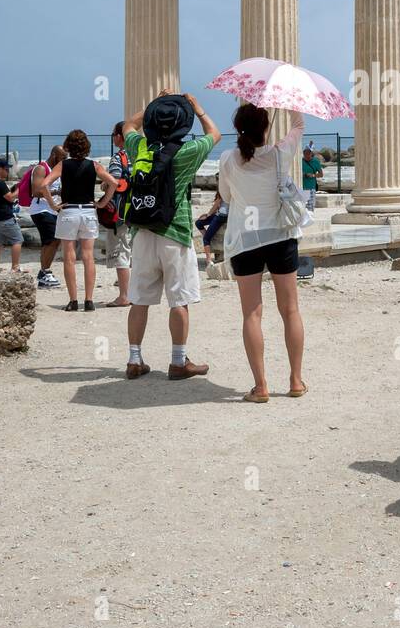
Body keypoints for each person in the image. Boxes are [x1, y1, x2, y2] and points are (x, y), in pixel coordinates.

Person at [123, 92, 220, 381]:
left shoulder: (139, 147)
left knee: (139, 299)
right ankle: (178, 361)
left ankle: (134, 359)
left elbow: (128, 125)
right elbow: (214, 134)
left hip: (142, 230)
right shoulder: (186, 152)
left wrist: (152, 103)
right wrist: (198, 109)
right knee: (179, 300)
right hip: (174, 232)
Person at [218, 105, 306, 402]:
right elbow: (299, 126)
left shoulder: (228, 159)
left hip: (246, 237)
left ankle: (261, 386)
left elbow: (227, 196)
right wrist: (290, 105)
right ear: (266, 127)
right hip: (280, 234)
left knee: (252, 313)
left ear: (237, 128)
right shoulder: (280, 153)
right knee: (290, 309)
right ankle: (295, 380)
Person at [43, 133, 117, 311]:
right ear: (86, 146)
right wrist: (102, 203)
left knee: (69, 257)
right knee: (88, 256)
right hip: (88, 211)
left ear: (68, 146)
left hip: (68, 211)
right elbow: (113, 182)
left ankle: (73, 300)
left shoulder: (62, 165)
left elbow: (44, 184)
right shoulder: (94, 165)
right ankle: (89, 300)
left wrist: (53, 205)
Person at [29, 145, 66, 290]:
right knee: (53, 240)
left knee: (51, 242)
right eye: (63, 157)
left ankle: (43, 271)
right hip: (41, 209)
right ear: (55, 156)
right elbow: (36, 191)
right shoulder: (41, 168)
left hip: (52, 210)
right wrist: (56, 191)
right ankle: (45, 273)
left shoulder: (57, 170)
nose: (64, 161)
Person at [104, 121, 132, 308]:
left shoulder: (118, 158)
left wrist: (104, 191)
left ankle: (124, 295)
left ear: (119, 137)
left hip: (121, 213)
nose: (113, 137)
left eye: (114, 134)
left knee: (121, 252)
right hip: (140, 210)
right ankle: (136, 291)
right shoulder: (140, 155)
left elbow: (114, 183)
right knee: (134, 252)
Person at [0, 157, 22, 270]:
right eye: (6, 169)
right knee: (18, 240)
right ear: (0, 169)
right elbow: (10, 198)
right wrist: (19, 189)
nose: (8, 171)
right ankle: (15, 267)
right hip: (6, 218)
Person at [194, 192, 228, 266]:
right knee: (198, 223)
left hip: (221, 216)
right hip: (219, 214)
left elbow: (216, 204)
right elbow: (217, 206)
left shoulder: (223, 188)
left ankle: (208, 261)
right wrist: (209, 214)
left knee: (206, 239)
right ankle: (209, 237)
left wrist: (207, 215)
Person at [302, 141, 324, 212]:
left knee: (310, 208)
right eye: (305, 153)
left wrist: (313, 175)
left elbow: (321, 174)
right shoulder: (300, 161)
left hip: (311, 188)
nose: (307, 155)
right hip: (301, 188)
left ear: (311, 154)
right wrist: (304, 174)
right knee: (302, 208)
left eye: (308, 153)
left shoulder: (316, 162)